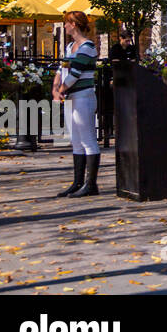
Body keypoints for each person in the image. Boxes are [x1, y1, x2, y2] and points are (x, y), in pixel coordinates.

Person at [52, 11, 101, 197]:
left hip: (83, 97)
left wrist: (61, 90)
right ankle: (78, 181)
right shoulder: (70, 46)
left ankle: (91, 184)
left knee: (88, 139)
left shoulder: (87, 47)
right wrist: (55, 88)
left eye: (67, 23)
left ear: (74, 24)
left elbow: (75, 74)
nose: (64, 26)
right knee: (76, 141)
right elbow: (61, 68)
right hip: (71, 97)